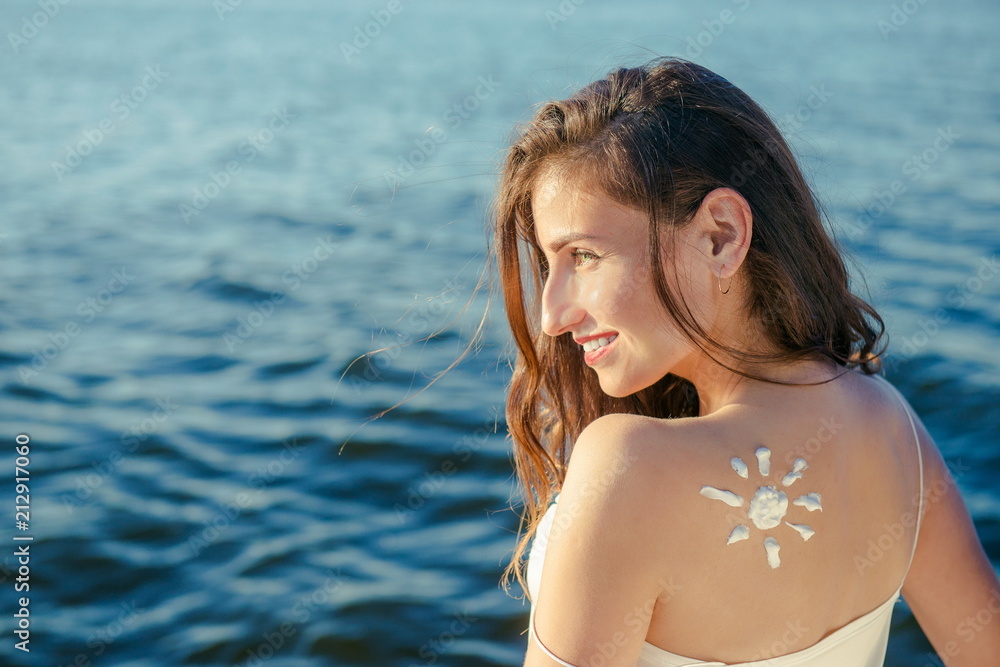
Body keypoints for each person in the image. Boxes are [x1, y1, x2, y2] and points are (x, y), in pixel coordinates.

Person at [490, 57, 1000, 666]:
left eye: (585, 257)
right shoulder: (891, 427)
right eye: (550, 267)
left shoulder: (628, 468)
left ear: (721, 236)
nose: (551, 316)